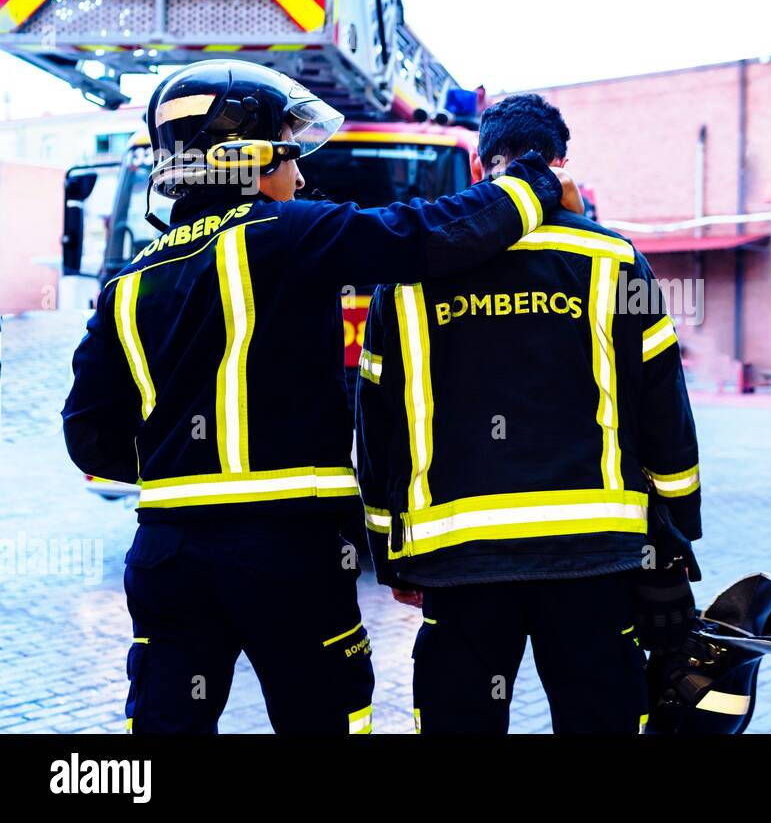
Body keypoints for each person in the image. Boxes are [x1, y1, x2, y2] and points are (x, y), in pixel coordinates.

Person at [61, 62, 583, 734]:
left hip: (165, 556)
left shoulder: (125, 285)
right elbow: (431, 234)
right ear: (244, 159)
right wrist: (537, 180)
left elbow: (89, 436)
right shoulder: (286, 234)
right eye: (288, 153)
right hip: (287, 551)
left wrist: (182, 469)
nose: (300, 176)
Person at [355, 93, 703, 734]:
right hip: (594, 558)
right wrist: (678, 529)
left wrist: (387, 550)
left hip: (460, 561)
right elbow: (663, 406)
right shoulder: (614, 260)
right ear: (561, 165)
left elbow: (377, 424)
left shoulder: (408, 276)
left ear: (484, 166)